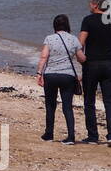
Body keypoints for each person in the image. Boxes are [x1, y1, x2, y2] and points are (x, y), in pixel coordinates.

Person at [78, 0, 111, 145]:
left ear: (95, 4)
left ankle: (93, 136)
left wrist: (81, 60)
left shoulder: (88, 21)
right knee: (110, 102)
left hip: (91, 64)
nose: (89, 5)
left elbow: (80, 44)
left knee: (89, 101)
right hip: (108, 65)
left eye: (90, 3)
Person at [36, 14, 84, 144]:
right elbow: (81, 58)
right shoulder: (73, 39)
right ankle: (71, 137)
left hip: (50, 75)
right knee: (67, 107)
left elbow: (44, 57)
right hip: (67, 76)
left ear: (54, 25)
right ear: (67, 25)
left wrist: (39, 73)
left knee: (50, 105)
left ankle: (49, 134)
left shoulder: (49, 38)